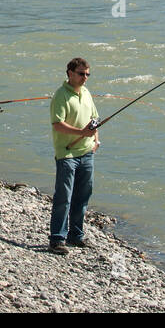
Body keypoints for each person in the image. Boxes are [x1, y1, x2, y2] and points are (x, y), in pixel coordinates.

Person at [48, 57, 100, 255]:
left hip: (87, 153)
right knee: (64, 197)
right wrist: (82, 133)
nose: (85, 78)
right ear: (70, 73)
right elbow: (57, 124)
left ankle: (76, 236)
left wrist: (95, 139)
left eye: (87, 74)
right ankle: (57, 239)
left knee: (83, 195)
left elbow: (94, 119)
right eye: (81, 73)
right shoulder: (60, 95)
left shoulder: (86, 93)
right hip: (67, 153)